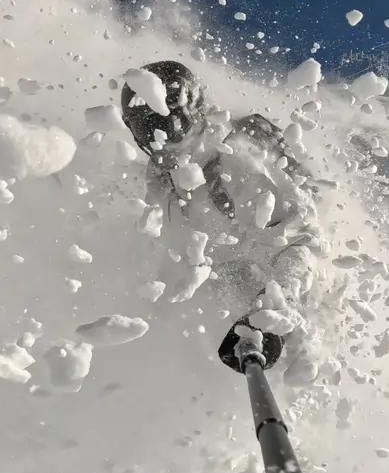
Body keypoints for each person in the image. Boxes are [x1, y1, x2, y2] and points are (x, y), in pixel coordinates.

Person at [119, 60, 324, 370]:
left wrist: (282, 301)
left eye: (170, 119)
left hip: (302, 277)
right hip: (233, 278)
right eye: (148, 128)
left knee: (307, 356)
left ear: (193, 109)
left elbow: (302, 237)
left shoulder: (237, 155)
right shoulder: (161, 181)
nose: (163, 135)